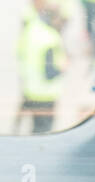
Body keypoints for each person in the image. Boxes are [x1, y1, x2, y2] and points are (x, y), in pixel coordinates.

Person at [17, 0, 69, 133]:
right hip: (46, 94)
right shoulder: (51, 39)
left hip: (30, 88)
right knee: (42, 131)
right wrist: (63, 68)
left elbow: (20, 53)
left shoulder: (32, 29)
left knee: (33, 128)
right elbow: (49, 73)